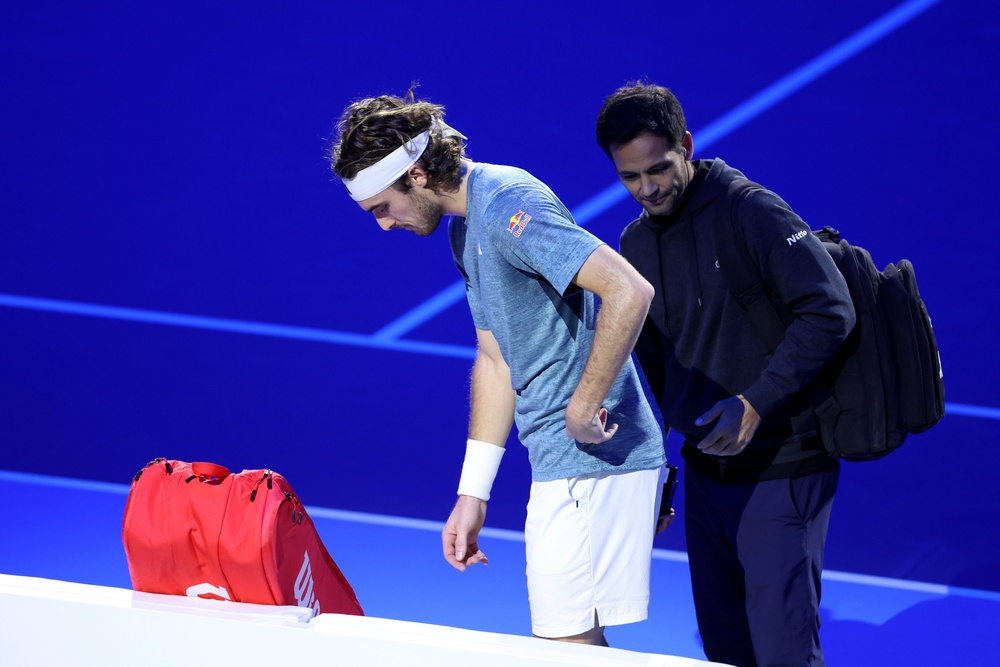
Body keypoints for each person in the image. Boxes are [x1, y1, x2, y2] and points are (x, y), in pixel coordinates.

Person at [329, 89, 667, 646]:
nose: (384, 226)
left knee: (566, 648)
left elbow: (629, 290)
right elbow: (494, 359)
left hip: (594, 460)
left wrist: (584, 404)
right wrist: (473, 493)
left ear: (415, 175)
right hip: (566, 461)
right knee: (577, 648)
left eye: (382, 208)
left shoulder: (511, 203)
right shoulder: (466, 227)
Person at [595, 82, 855, 667]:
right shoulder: (634, 244)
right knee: (725, 650)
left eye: (659, 169)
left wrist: (758, 401)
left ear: (686, 145)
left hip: (782, 464)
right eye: (630, 178)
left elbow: (830, 309)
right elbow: (653, 372)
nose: (648, 188)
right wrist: (650, 468)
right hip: (706, 472)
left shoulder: (750, 211)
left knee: (782, 651)